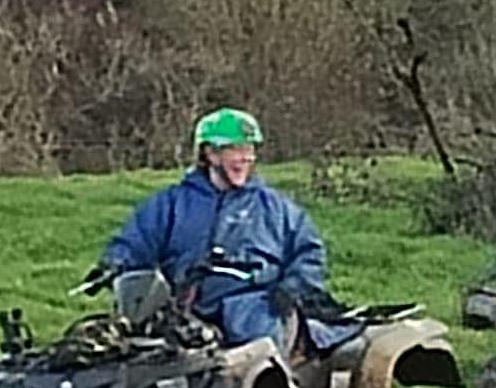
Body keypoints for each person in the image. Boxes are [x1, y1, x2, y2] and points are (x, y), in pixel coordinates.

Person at [89, 107, 354, 351]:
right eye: (235, 149)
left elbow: (309, 253)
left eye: (249, 149)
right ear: (210, 153)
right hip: (182, 309)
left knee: (256, 354)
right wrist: (114, 264)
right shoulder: (171, 203)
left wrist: (292, 288)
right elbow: (135, 243)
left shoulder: (277, 208)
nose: (245, 158)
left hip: (254, 309)